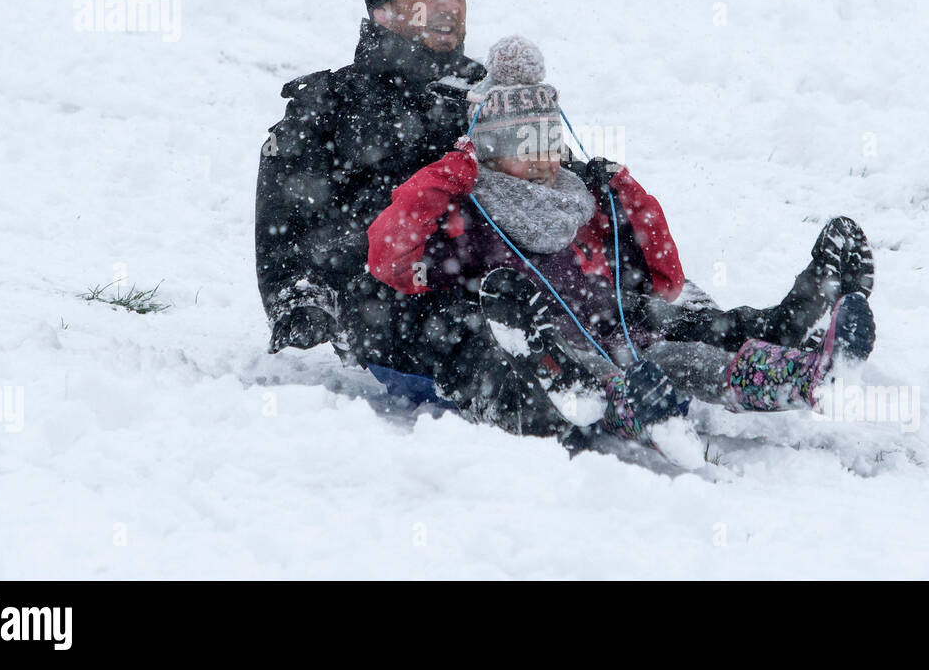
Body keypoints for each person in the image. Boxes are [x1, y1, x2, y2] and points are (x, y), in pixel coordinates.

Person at [364, 35, 877, 452]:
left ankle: (805, 377)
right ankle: (631, 410)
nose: (543, 158)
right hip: (545, 354)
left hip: (614, 324)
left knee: (687, 352)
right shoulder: (467, 209)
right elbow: (389, 256)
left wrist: (624, 191)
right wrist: (449, 174)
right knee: (611, 375)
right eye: (525, 145)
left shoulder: (575, 200)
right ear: (493, 151)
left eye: (549, 140)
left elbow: (665, 277)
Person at [254, 0, 486, 364]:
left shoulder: (492, 94)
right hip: (388, 309)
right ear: (383, 9)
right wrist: (300, 304)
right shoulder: (329, 104)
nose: (448, 6)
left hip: (499, 288)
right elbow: (287, 232)